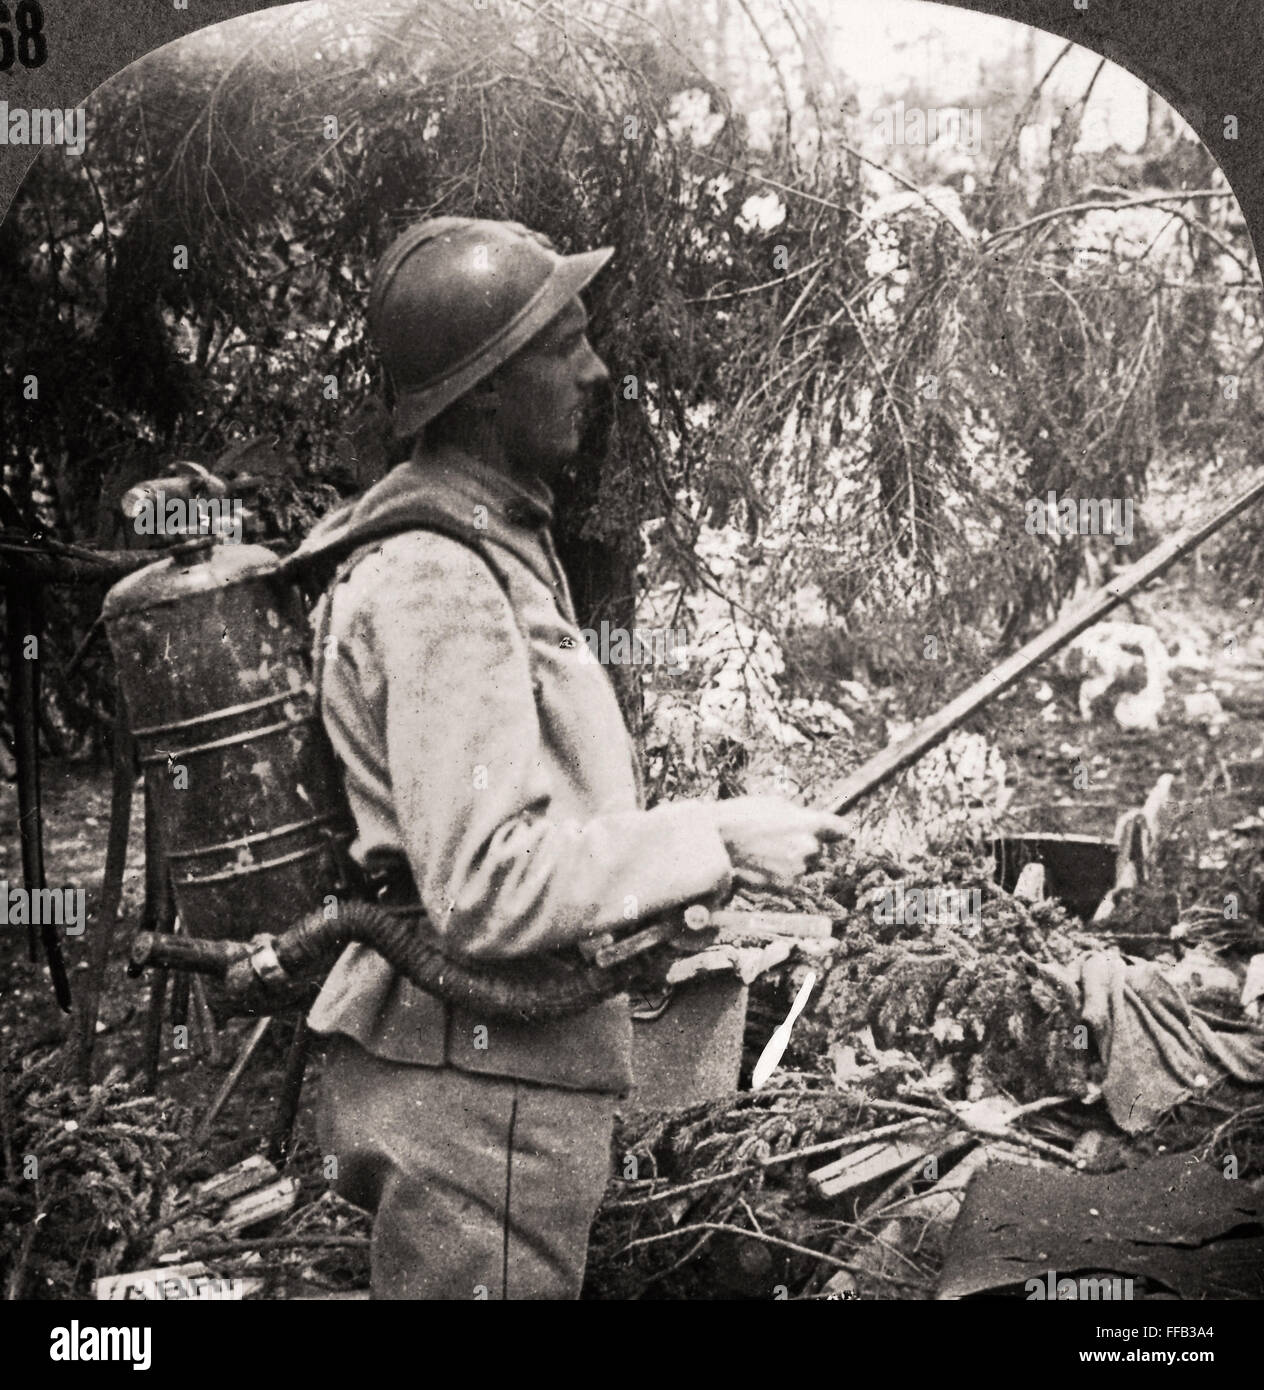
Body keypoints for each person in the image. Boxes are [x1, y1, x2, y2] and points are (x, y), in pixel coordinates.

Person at [290, 217, 847, 1299]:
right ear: (488, 389)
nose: (596, 372)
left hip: (486, 1070)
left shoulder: (491, 542)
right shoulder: (438, 578)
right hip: (475, 1096)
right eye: (566, 345)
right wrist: (715, 834)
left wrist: (663, 878)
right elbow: (485, 883)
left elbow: (526, 824)